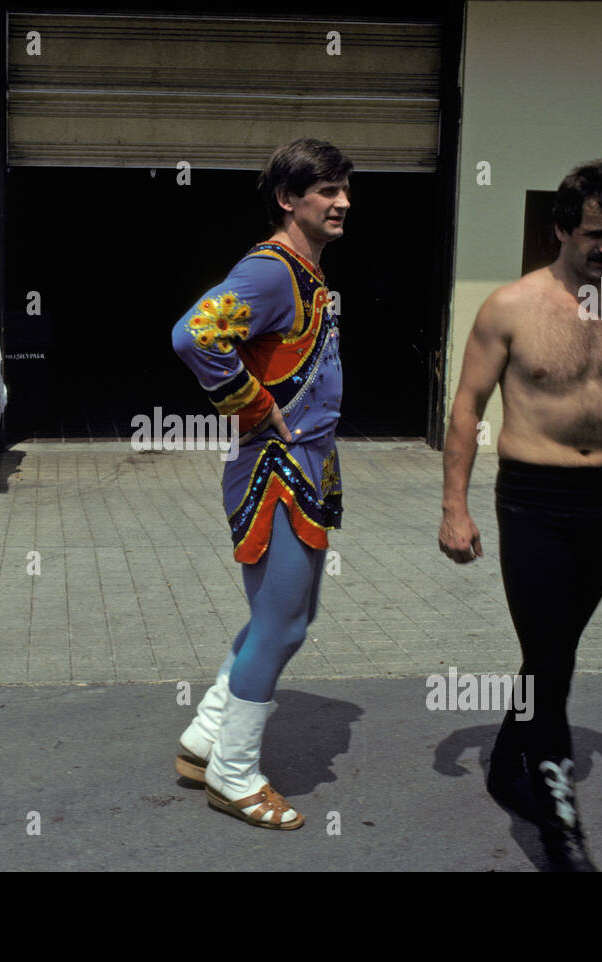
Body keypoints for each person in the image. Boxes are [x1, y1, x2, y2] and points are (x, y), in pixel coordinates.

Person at [438, 159, 602, 869]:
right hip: (531, 499)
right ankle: (562, 834)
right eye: (596, 234)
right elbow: (466, 410)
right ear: (561, 228)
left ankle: (504, 763)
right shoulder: (510, 307)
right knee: (553, 659)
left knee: (550, 653)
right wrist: (454, 509)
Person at [169, 138, 351, 830]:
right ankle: (234, 774)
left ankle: (206, 738)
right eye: (326, 190)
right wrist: (252, 403)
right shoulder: (273, 271)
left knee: (292, 620)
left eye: (344, 189)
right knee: (280, 623)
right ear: (287, 198)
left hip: (305, 466)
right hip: (275, 469)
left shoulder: (305, 272)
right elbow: (192, 335)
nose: (342, 202)